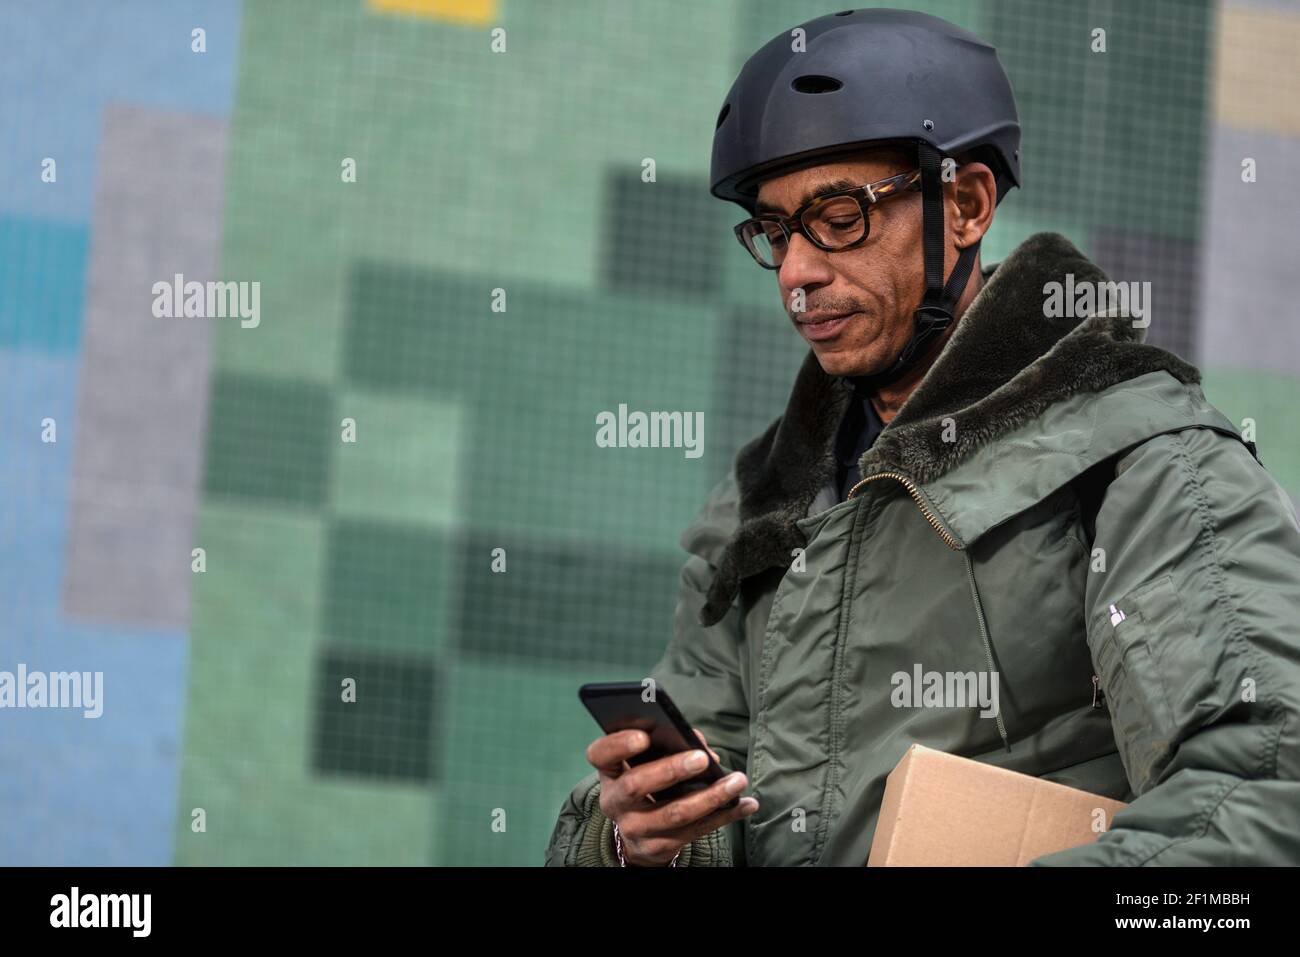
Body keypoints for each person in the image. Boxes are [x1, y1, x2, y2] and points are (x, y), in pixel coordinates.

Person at [545, 8, 1300, 866]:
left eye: (838, 216)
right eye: (776, 229)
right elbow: (709, 791)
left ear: (968, 205)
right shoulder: (765, 504)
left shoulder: (1144, 460)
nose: (797, 271)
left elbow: (1263, 800)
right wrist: (638, 840)